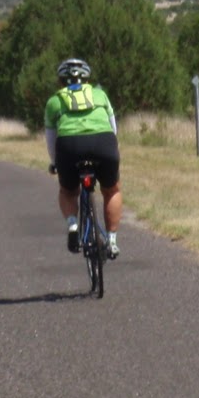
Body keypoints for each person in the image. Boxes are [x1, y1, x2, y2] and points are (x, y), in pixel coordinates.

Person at [44, 58, 121, 259]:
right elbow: (113, 129)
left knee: (68, 192)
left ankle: (73, 224)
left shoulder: (54, 101)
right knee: (111, 190)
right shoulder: (100, 95)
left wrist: (55, 163)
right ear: (87, 79)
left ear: (61, 81)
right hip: (103, 143)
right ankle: (112, 241)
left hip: (69, 146)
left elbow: (52, 140)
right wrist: (112, 153)